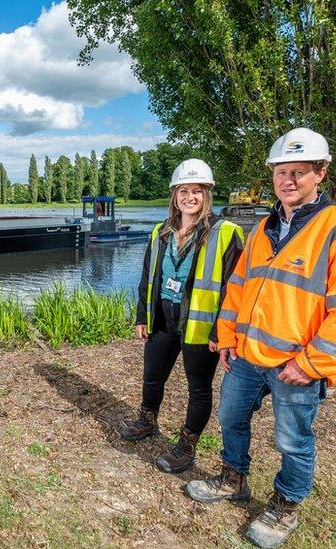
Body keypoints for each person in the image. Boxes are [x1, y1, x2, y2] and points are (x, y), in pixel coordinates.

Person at [184, 128, 336, 549]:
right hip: (248, 356)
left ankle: (285, 504)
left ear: (321, 173)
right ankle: (232, 478)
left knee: (292, 439)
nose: (287, 181)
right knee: (230, 418)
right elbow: (237, 288)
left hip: (296, 366)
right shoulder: (263, 229)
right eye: (280, 172)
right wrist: (227, 339)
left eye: (298, 172)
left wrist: (311, 365)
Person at [121, 158, 244, 475]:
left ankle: (187, 445)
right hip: (162, 320)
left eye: (197, 191)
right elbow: (148, 277)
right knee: (152, 376)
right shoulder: (160, 233)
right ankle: (147, 420)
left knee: (198, 389)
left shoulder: (226, 233)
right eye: (184, 191)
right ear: (174, 195)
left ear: (207, 194)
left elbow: (236, 288)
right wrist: (142, 316)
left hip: (201, 328)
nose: (190, 197)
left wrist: (223, 332)